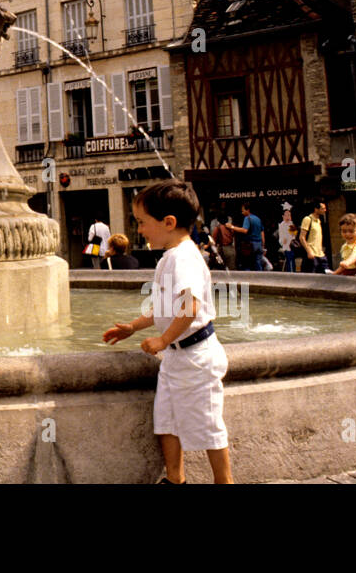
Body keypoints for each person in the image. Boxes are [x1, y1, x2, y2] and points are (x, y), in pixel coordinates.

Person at [102, 180, 232, 484]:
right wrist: (133, 327)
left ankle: (225, 482)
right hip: (178, 358)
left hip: (196, 358)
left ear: (168, 222)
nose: (140, 230)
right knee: (167, 421)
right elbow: (165, 308)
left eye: (143, 223)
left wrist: (162, 339)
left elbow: (189, 308)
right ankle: (175, 479)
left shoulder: (183, 257)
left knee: (209, 424)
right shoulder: (171, 256)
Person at [230, 203, 266, 271]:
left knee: (248, 263)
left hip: (251, 245)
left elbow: (244, 230)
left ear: (248, 210)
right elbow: (262, 232)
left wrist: (232, 227)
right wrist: (263, 245)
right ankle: (260, 279)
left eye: (243, 210)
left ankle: (250, 280)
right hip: (259, 244)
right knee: (258, 263)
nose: (242, 212)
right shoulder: (258, 219)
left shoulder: (247, 218)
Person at [298, 201, 328, 274]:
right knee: (311, 276)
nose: (325, 210)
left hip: (320, 254)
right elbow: (302, 237)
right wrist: (309, 251)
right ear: (316, 209)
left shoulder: (318, 221)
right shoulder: (308, 219)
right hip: (312, 254)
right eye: (322, 208)